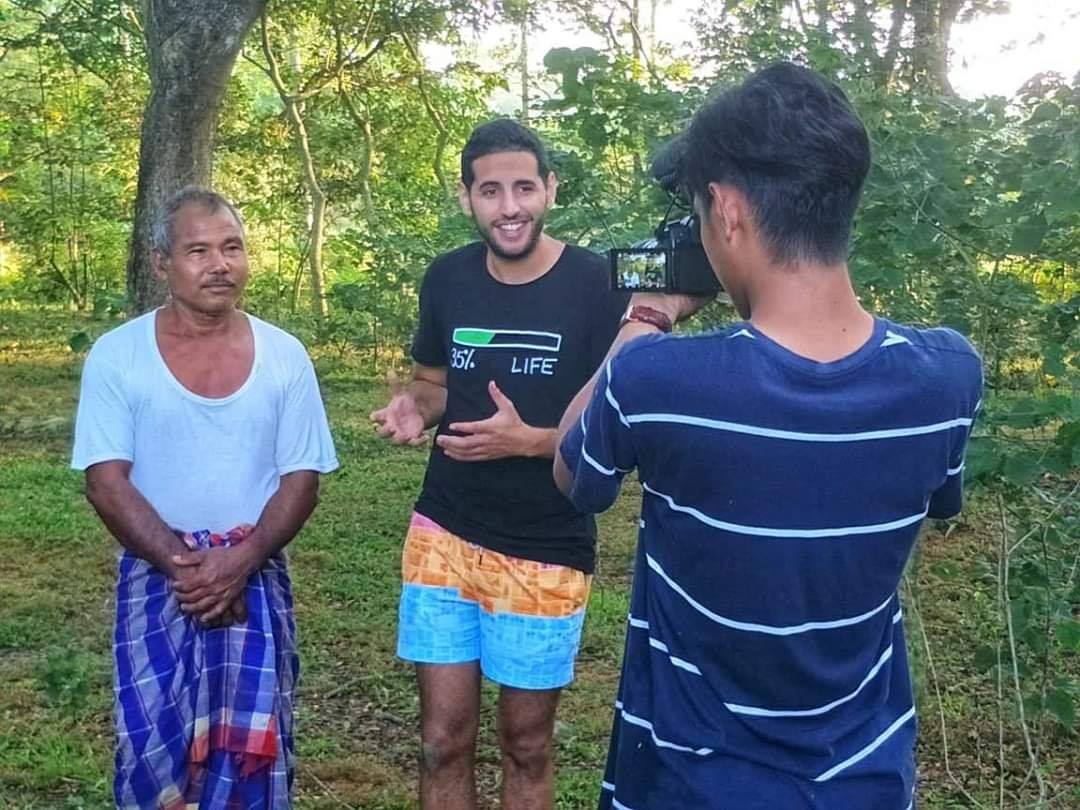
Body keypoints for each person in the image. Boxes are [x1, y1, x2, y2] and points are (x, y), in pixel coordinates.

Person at [554, 62, 983, 809]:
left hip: (691, 784)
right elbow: (936, 503)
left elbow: (572, 470)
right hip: (867, 782)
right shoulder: (946, 376)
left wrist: (646, 317)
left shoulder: (660, 381)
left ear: (726, 210)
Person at [370, 119, 629, 810]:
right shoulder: (448, 278)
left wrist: (534, 441)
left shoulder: (597, 285)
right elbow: (431, 382)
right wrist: (412, 409)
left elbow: (618, 424)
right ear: (467, 198)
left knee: (527, 745)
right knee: (440, 740)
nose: (509, 206)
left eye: (523, 187)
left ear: (550, 189)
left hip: (546, 542)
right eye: (491, 190)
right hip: (444, 534)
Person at [72, 187, 338, 809]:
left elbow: (301, 480)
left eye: (232, 248)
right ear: (163, 263)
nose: (220, 264)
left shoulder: (284, 357)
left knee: (251, 753)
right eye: (199, 250)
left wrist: (238, 564)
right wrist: (189, 569)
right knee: (152, 746)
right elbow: (105, 482)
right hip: (157, 578)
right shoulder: (118, 357)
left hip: (254, 578)